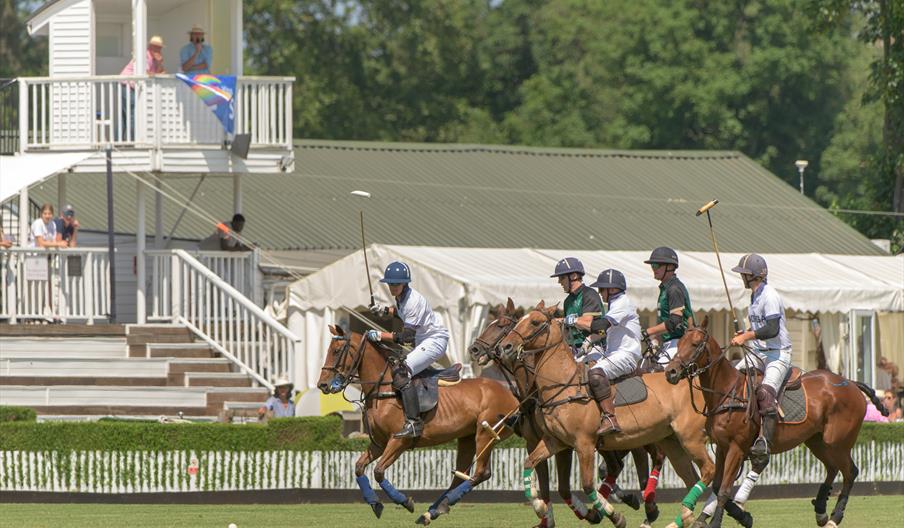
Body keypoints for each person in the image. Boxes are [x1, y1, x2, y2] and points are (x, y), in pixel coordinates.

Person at [367, 261, 451, 439]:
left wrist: (381, 335)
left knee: (402, 372)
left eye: (396, 284)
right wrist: (384, 311)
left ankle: (414, 423)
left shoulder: (413, 301)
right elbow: (401, 313)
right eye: (390, 283)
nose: (393, 287)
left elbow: (406, 337)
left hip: (434, 340)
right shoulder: (402, 297)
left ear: (405, 283)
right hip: (422, 340)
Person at [729, 253, 791, 466]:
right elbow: (759, 326)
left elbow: (772, 329)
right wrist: (744, 332)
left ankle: (764, 441)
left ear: (752, 276)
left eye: (743, 274)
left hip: (777, 353)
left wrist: (746, 336)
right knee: (732, 379)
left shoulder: (770, 295)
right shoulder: (755, 295)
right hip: (759, 352)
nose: (742, 278)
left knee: (765, 393)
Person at [580, 269, 642, 436]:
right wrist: (590, 340)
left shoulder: (622, 302)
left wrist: (572, 320)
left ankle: (610, 418)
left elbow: (601, 325)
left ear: (612, 290)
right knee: (580, 365)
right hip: (613, 352)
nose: (600, 293)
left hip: (627, 354)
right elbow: (604, 331)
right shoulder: (615, 305)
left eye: (602, 289)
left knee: (595, 372)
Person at [642, 247, 693, 362]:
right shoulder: (666, 288)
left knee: (656, 372)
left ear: (670, 267)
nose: (653, 269)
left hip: (679, 342)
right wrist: (654, 339)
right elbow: (664, 320)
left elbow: (675, 321)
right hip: (669, 343)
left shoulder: (674, 288)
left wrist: (648, 332)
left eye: (656, 266)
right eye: (652, 266)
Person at [551, 257, 604, 354]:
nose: (559, 282)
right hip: (574, 348)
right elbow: (568, 330)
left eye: (562, 278)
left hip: (595, 345)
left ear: (574, 276)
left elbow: (587, 323)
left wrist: (563, 320)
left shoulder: (589, 294)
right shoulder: (567, 301)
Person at [119, 35, 166, 140]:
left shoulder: (153, 59)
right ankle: (133, 141)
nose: (158, 50)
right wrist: (157, 72)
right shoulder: (144, 56)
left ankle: (120, 140)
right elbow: (147, 73)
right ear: (150, 47)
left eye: (160, 48)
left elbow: (161, 71)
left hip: (131, 86)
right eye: (156, 47)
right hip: (127, 84)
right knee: (131, 114)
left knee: (125, 116)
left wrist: (159, 63)